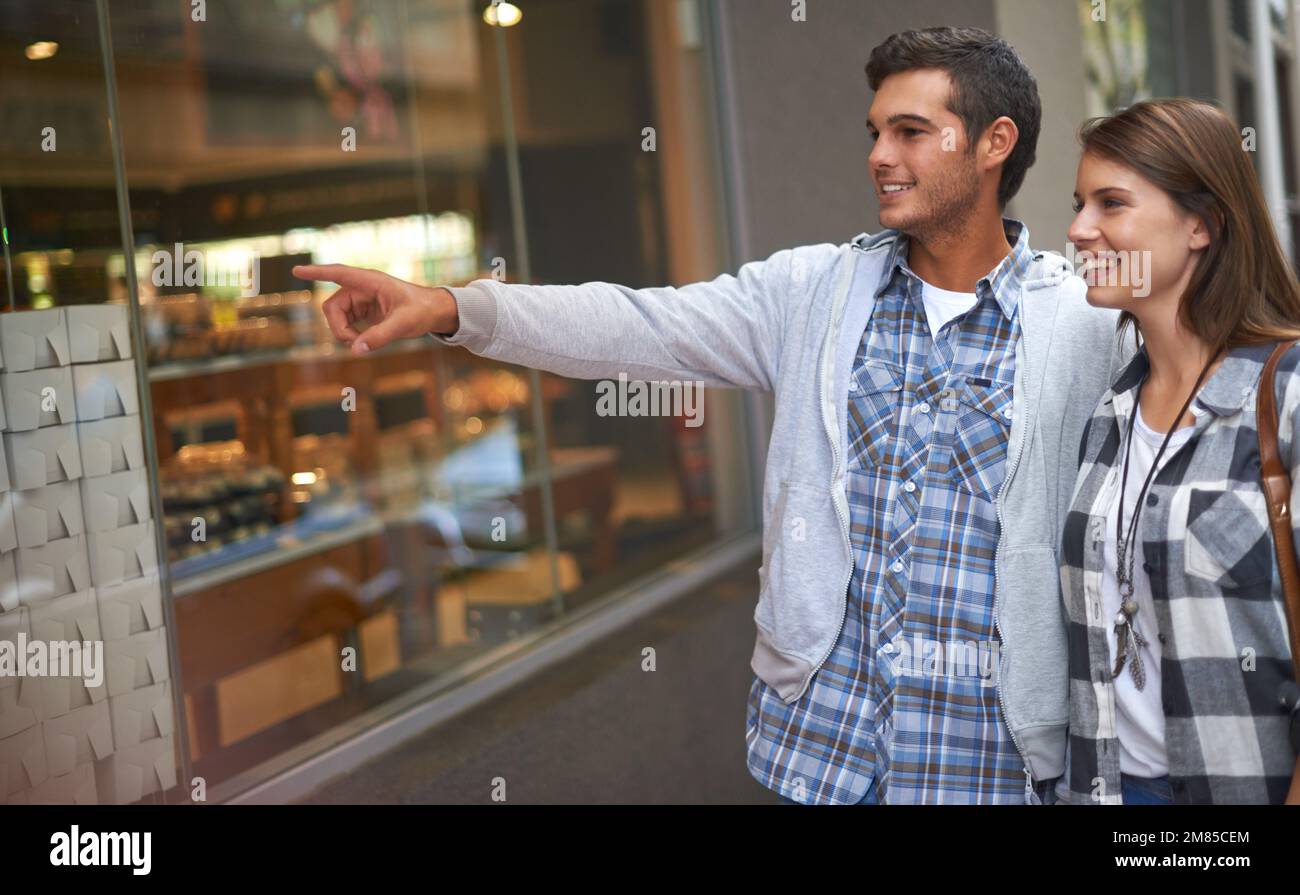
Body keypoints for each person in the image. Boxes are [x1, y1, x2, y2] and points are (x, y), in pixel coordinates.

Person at [294, 27, 1126, 804]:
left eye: (910, 132)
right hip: (823, 755)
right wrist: (452, 305)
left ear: (994, 143)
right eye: (874, 132)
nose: (879, 156)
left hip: (988, 767)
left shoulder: (1083, 325)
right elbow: (635, 324)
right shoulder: (815, 295)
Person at [1059, 98, 1300, 805]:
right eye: (1080, 204)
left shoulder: (1285, 400)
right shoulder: (1110, 413)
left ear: (1202, 224)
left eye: (1112, 203)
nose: (1078, 229)